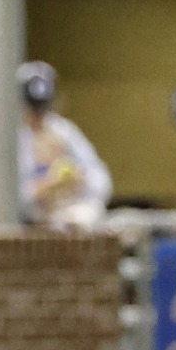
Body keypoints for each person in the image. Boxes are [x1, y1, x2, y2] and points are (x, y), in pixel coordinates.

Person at [15, 59, 111, 229]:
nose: (39, 117)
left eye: (43, 109)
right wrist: (43, 188)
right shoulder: (5, 137)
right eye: (32, 110)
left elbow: (102, 183)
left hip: (62, 223)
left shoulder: (63, 130)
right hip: (20, 225)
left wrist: (79, 180)